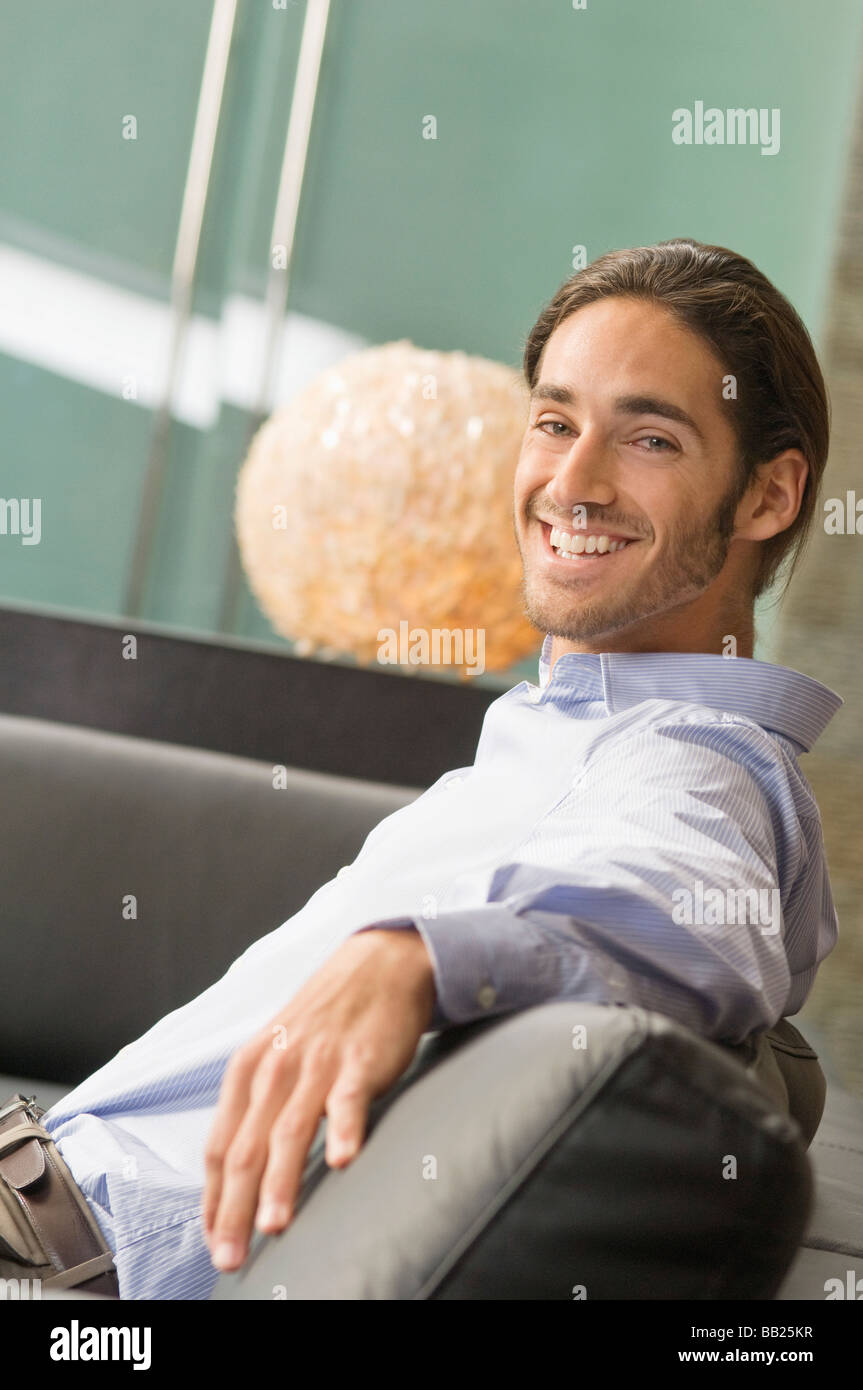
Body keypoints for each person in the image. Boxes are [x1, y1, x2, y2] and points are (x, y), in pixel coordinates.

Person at [0, 238, 842, 1301]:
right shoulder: (580, 725)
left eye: (649, 438)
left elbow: (687, 908)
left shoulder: (687, 756)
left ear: (766, 496)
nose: (570, 482)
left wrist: (415, 959)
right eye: (552, 421)